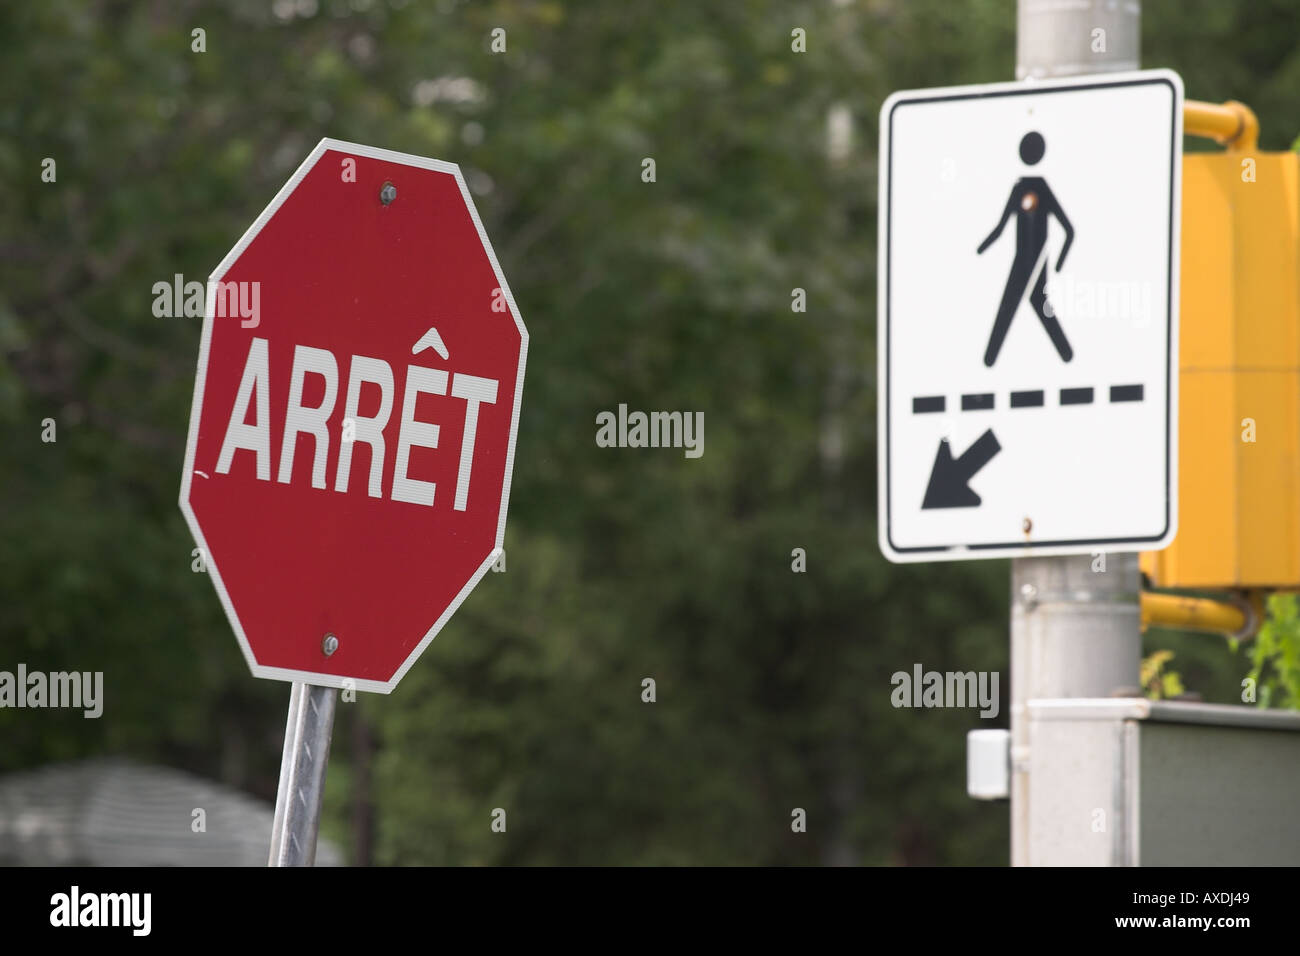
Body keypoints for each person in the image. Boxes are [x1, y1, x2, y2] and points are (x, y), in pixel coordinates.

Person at [976, 131, 1075, 367]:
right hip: (1020, 262)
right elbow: (1000, 228)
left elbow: (1068, 230)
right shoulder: (1019, 188)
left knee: (1039, 305)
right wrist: (978, 251)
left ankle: (1067, 355)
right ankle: (989, 362)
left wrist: (1060, 265)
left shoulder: (1041, 189)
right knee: (1010, 306)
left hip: (1038, 262)